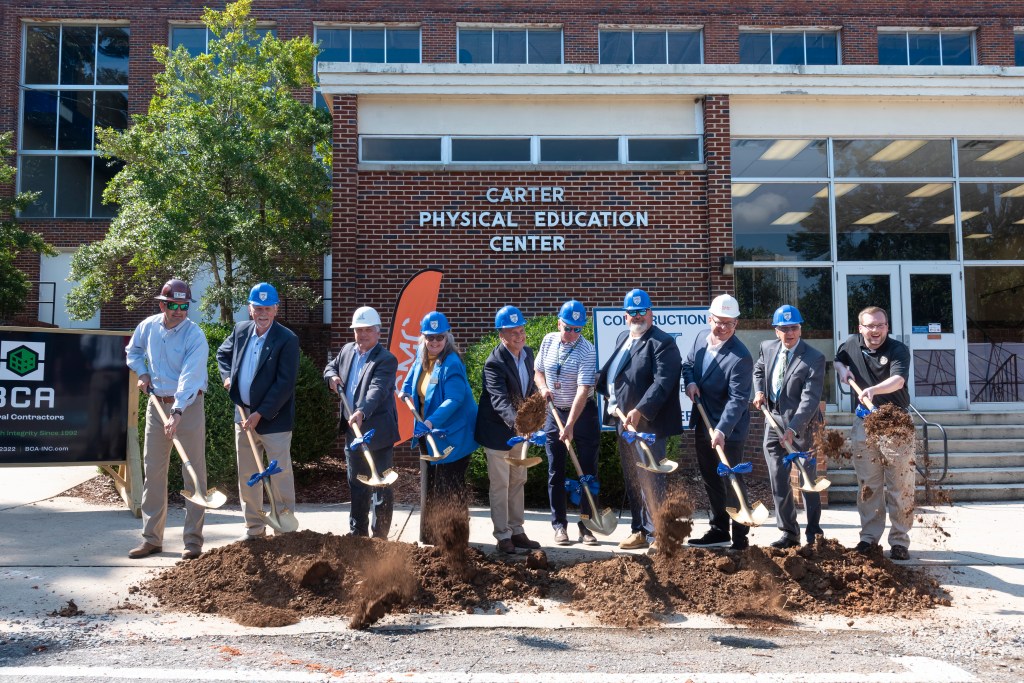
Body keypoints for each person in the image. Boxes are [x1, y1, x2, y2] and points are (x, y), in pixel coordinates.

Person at [124, 278, 209, 560]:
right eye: (174, 305)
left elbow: (190, 376)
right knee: (154, 473)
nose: (180, 311)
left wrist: (178, 411)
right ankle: (151, 539)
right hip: (156, 405)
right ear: (163, 304)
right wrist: (142, 373)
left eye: (185, 306)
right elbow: (133, 351)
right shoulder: (147, 327)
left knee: (193, 472)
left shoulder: (194, 335)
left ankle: (193, 542)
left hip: (188, 406)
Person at [596, 288, 682, 551]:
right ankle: (639, 530)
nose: (637, 316)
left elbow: (663, 382)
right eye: (632, 312)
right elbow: (615, 374)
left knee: (652, 478)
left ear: (650, 313)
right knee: (633, 477)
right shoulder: (624, 337)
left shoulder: (662, 342)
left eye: (641, 311)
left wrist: (641, 410)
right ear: (625, 316)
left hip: (648, 426)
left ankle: (660, 534)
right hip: (624, 423)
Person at [216, 282, 300, 541]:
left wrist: (260, 413)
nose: (262, 313)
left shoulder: (287, 339)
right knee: (248, 475)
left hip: (273, 419)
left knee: (279, 474)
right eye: (257, 308)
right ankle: (254, 528)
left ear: (276, 309)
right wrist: (227, 377)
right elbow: (223, 353)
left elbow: (285, 384)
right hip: (243, 416)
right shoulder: (240, 330)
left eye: (267, 308)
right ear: (250, 310)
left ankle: (283, 528)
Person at [834, 306, 914, 561]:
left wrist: (873, 390)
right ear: (861, 328)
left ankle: (900, 541)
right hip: (864, 423)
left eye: (880, 325)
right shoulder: (850, 344)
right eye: (870, 326)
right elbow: (839, 359)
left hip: (894, 420)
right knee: (868, 484)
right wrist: (842, 371)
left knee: (900, 485)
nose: (875, 330)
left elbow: (898, 380)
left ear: (887, 327)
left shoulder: (898, 349)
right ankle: (868, 539)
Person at [400, 311, 478, 544]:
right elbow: (412, 376)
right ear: (423, 337)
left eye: (439, 338)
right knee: (430, 485)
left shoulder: (451, 363)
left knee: (449, 488)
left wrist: (431, 421)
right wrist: (404, 390)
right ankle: (431, 536)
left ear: (447, 337)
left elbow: (454, 399)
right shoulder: (421, 354)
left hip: (452, 435)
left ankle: (454, 540)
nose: (435, 342)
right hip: (428, 432)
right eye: (430, 337)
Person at [683, 293, 754, 551]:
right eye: (718, 321)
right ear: (709, 317)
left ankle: (740, 535)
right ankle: (718, 529)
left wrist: (722, 429)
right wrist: (690, 381)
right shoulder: (702, 337)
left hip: (729, 428)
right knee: (710, 477)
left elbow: (737, 400)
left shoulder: (740, 357)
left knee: (731, 478)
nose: (722, 327)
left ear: (736, 324)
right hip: (703, 421)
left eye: (729, 323)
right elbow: (688, 364)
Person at [752, 305, 826, 548]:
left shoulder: (814, 357)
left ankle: (814, 532)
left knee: (808, 480)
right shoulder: (767, 347)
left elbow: (810, 399)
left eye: (794, 327)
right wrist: (760, 390)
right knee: (778, 479)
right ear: (776, 331)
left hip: (802, 426)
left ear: (800, 329)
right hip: (773, 422)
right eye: (784, 328)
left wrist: (793, 429)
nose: (789, 333)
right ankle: (789, 533)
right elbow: (759, 369)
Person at [324, 305, 399, 539]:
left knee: (382, 486)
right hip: (352, 433)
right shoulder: (347, 350)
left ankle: (380, 537)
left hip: (377, 431)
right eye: (358, 330)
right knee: (357, 484)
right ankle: (358, 534)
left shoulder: (386, 359)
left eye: (368, 330)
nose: (362, 335)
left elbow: (376, 391)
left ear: (378, 332)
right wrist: (331, 377)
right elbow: (331, 367)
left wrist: (361, 412)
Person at [474, 305, 542, 554]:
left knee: (518, 480)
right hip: (498, 432)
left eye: (521, 330)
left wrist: (533, 420)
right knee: (501, 484)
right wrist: (519, 424)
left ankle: (517, 530)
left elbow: (529, 391)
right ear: (501, 335)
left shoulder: (528, 354)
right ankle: (503, 535)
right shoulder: (494, 363)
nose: (519, 336)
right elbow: (499, 400)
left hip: (520, 431)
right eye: (512, 332)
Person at [534, 300, 601, 546]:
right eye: (569, 327)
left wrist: (571, 424)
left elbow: (584, 390)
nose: (573, 333)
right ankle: (559, 526)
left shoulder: (587, 350)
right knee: (556, 470)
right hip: (555, 412)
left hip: (582, 416)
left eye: (578, 329)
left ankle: (586, 526)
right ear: (559, 322)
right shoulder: (548, 340)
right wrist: (543, 388)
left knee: (586, 472)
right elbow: (538, 370)